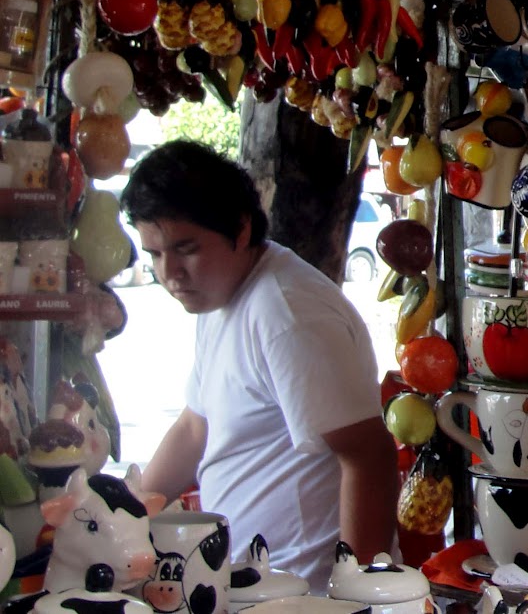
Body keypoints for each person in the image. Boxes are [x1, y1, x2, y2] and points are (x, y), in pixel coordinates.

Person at [122, 141, 397, 589]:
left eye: (186, 249)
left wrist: (354, 595)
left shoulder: (285, 313)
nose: (169, 272)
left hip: (303, 591)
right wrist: (121, 518)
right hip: (247, 585)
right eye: (154, 254)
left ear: (241, 229)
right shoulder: (220, 297)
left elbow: (369, 456)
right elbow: (196, 428)